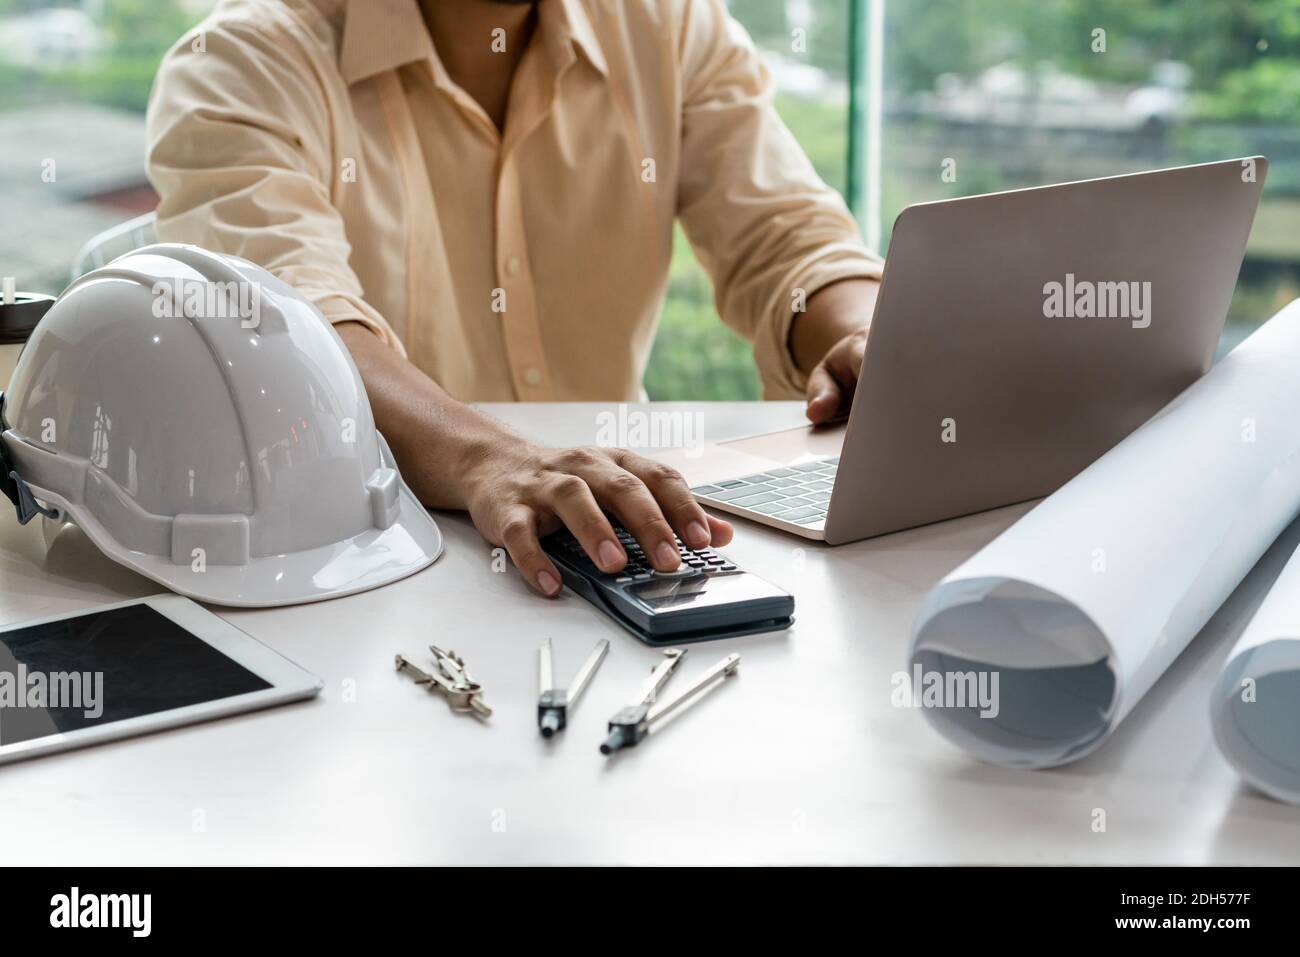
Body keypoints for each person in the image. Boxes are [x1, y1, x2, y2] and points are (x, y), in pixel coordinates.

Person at [146, 0, 883, 595]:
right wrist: (488, 462)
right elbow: (297, 337)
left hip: (605, 542)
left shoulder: (668, 25)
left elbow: (790, 241)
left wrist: (865, 337)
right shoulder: (242, 67)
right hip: (364, 565)